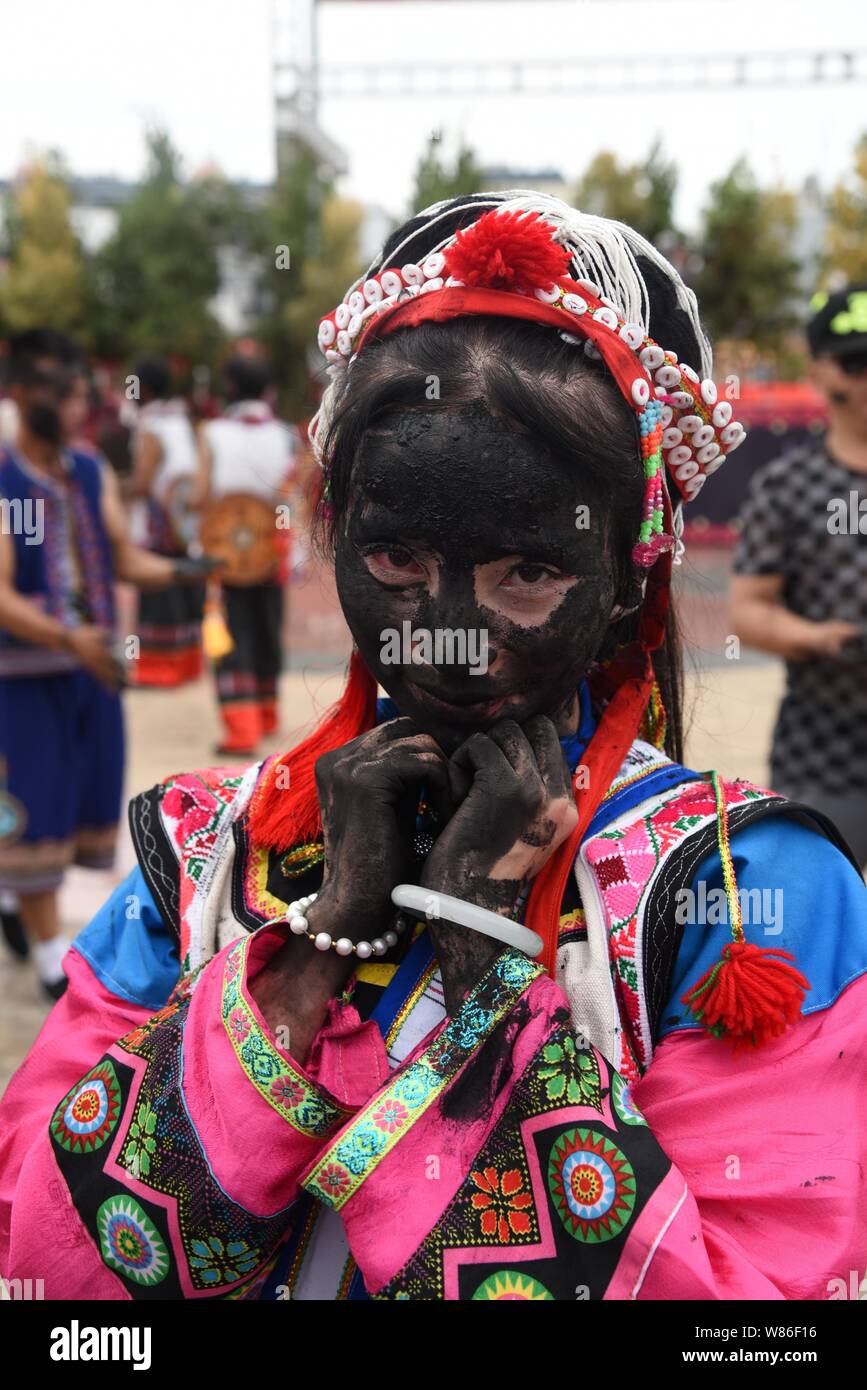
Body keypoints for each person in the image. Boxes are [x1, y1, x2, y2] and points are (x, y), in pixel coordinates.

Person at [1, 198, 866, 1301]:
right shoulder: (205, 855)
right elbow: (47, 1272)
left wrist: (478, 959)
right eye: (398, 558)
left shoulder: (748, 894)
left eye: (529, 572)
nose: (451, 636)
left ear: (629, 576)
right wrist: (313, 947)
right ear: (335, 540)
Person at [0, 330, 210, 1000]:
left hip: (91, 673)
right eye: (65, 397)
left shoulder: (87, 469)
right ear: (27, 395)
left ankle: (20, 907)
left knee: (83, 807)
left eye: (81, 396)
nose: (76, 408)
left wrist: (188, 566)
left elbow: (122, 555)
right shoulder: (7, 482)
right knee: (35, 808)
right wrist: (70, 639)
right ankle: (45, 953)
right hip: (26, 682)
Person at [729, 285, 867, 866]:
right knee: (826, 919)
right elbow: (748, 610)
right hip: (824, 745)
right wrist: (820, 639)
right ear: (821, 373)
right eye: (857, 363)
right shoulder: (788, 487)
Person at [197, 354, 296, 756]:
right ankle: (268, 714)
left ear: (231, 388)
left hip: (227, 553)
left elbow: (202, 494)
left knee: (231, 632)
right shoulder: (287, 434)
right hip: (272, 548)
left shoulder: (212, 432)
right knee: (268, 626)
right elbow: (295, 493)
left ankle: (242, 729)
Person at [124, 356, 204, 687]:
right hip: (184, 522)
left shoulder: (151, 426)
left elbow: (142, 484)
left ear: (144, 389)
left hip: (160, 523)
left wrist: (108, 485)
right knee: (183, 588)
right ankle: (187, 666)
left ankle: (159, 671)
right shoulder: (180, 419)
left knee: (158, 591)